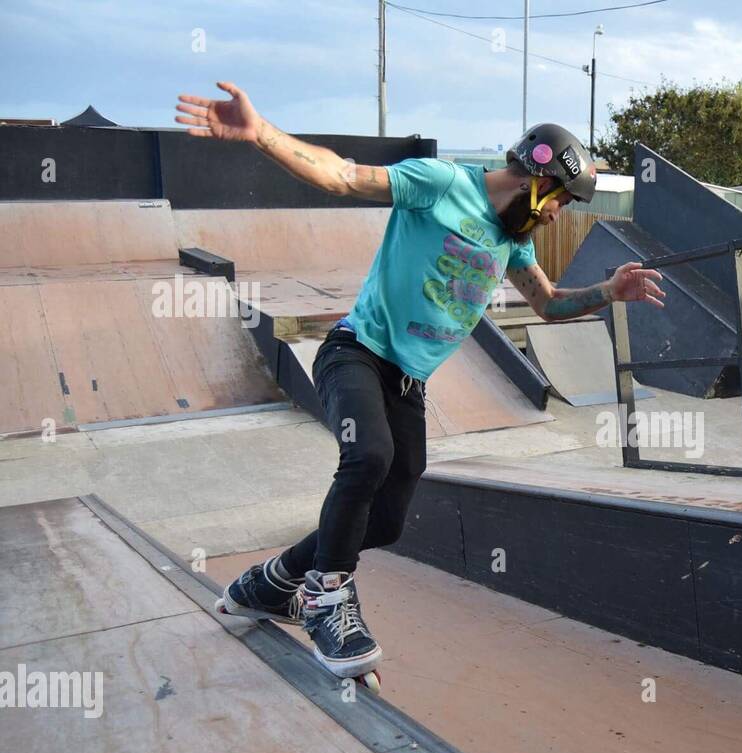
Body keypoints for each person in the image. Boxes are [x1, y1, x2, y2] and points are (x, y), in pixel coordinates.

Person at [175, 82, 665, 679]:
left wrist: (609, 293)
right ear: (539, 181)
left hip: (408, 383)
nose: (557, 215)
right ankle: (327, 597)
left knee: (384, 522)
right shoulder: (441, 183)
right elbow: (343, 177)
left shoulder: (512, 240)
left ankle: (272, 582)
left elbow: (549, 304)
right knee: (369, 456)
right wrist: (262, 133)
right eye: (561, 202)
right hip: (355, 352)